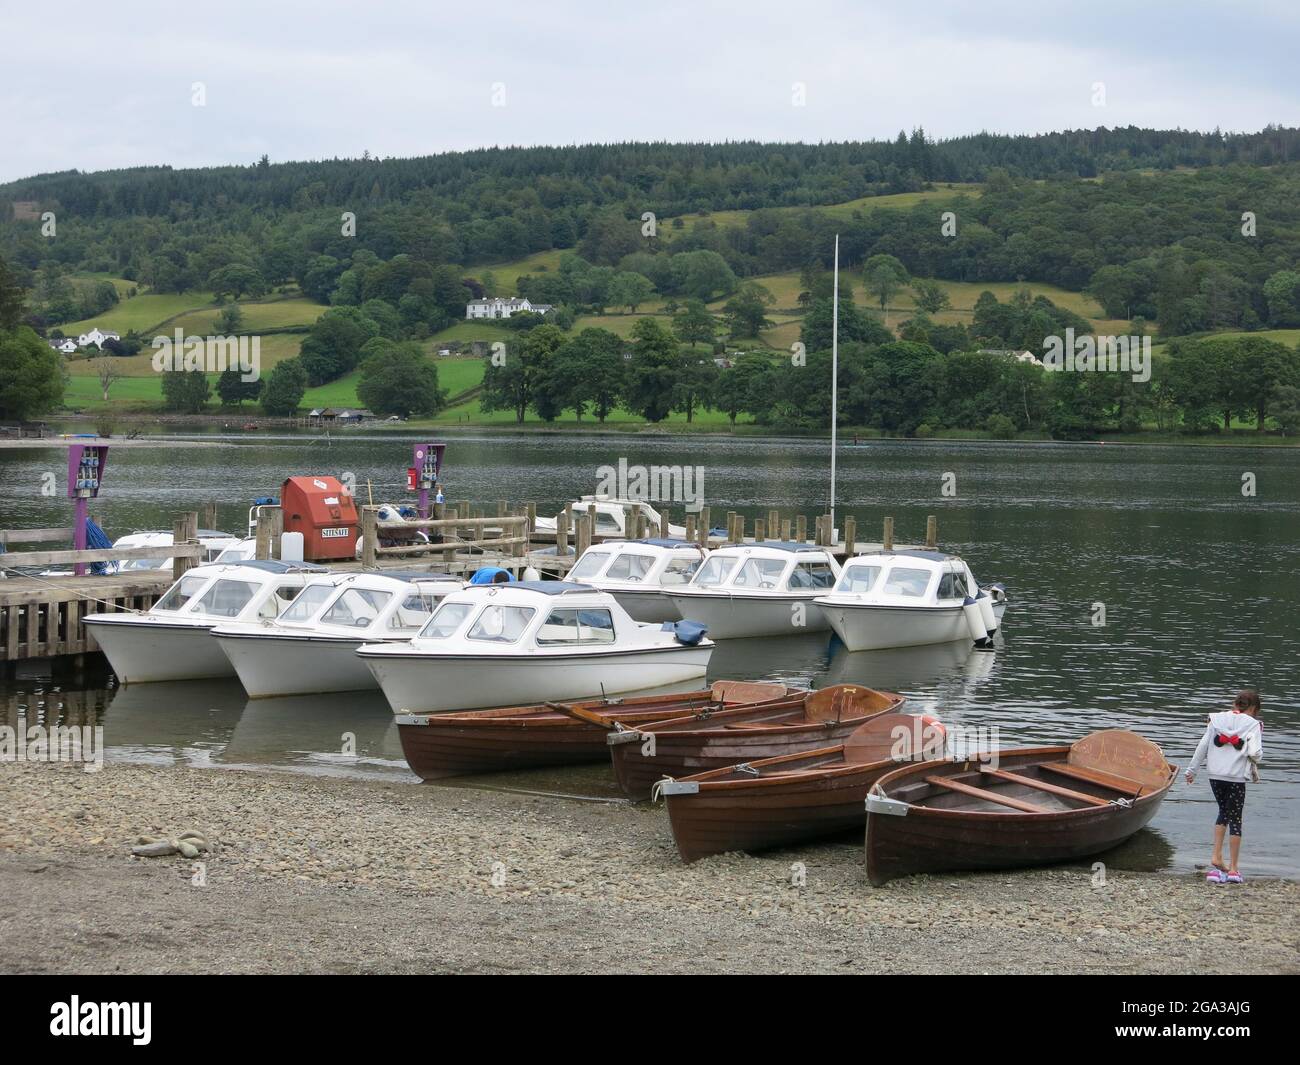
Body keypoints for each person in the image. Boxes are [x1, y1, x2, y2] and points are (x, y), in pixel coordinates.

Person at [1185, 690, 1263, 884]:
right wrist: (1250, 750)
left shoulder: (1216, 720)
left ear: (1235, 703)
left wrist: (1192, 771)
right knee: (1235, 818)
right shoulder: (1252, 725)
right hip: (1235, 777)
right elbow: (1256, 753)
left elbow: (1203, 746)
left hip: (1215, 775)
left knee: (1223, 812)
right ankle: (1234, 869)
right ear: (1253, 708)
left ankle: (1216, 858)